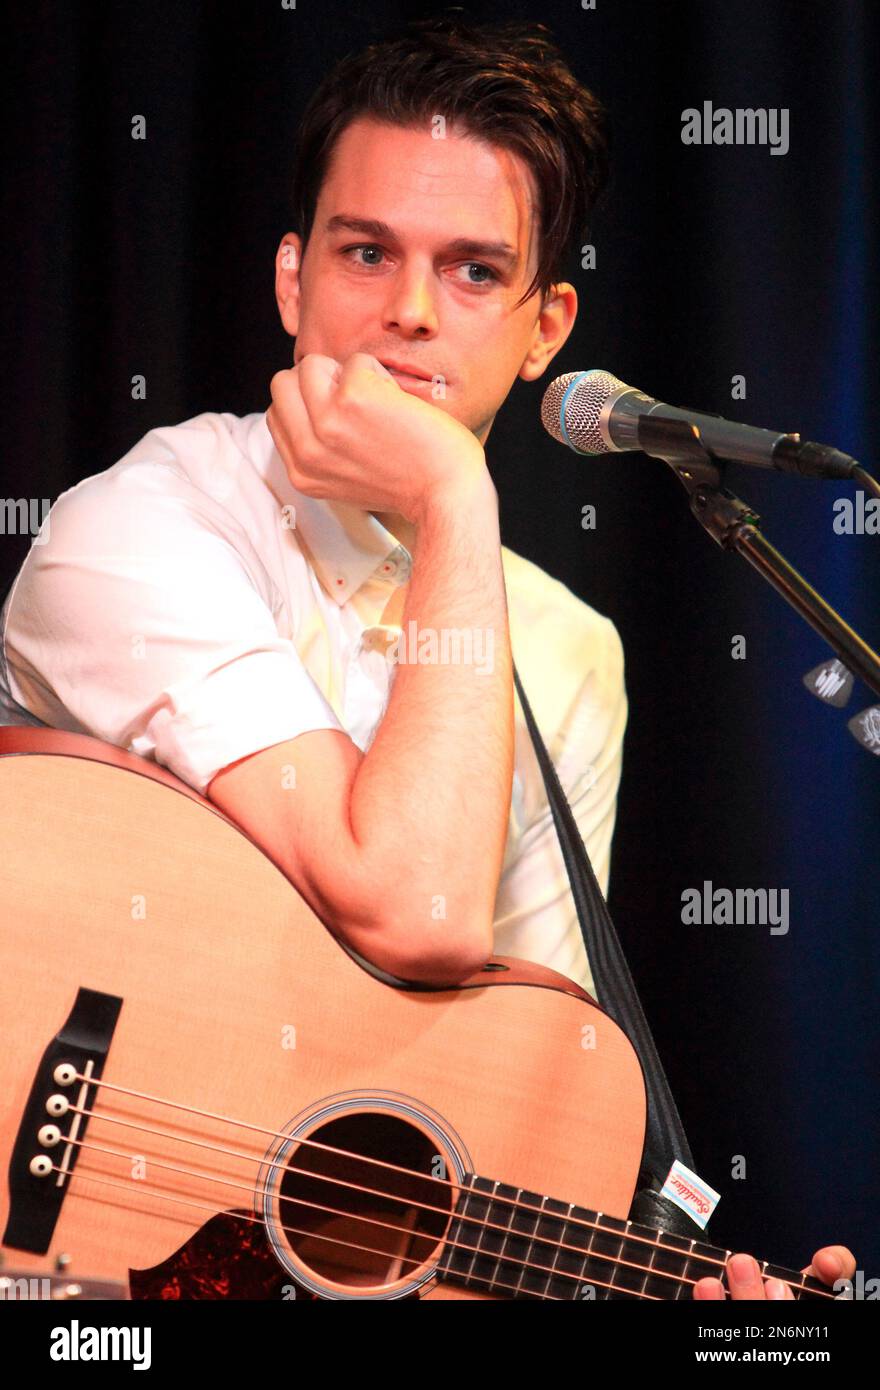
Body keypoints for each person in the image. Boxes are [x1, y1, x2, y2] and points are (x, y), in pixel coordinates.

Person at [0, 15, 853, 1300]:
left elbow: (504, 1106)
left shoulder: (567, 651)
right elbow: (414, 904)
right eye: (364, 253)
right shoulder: (136, 524)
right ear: (291, 281)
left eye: (469, 273)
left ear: (543, 328)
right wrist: (457, 494)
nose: (406, 313)